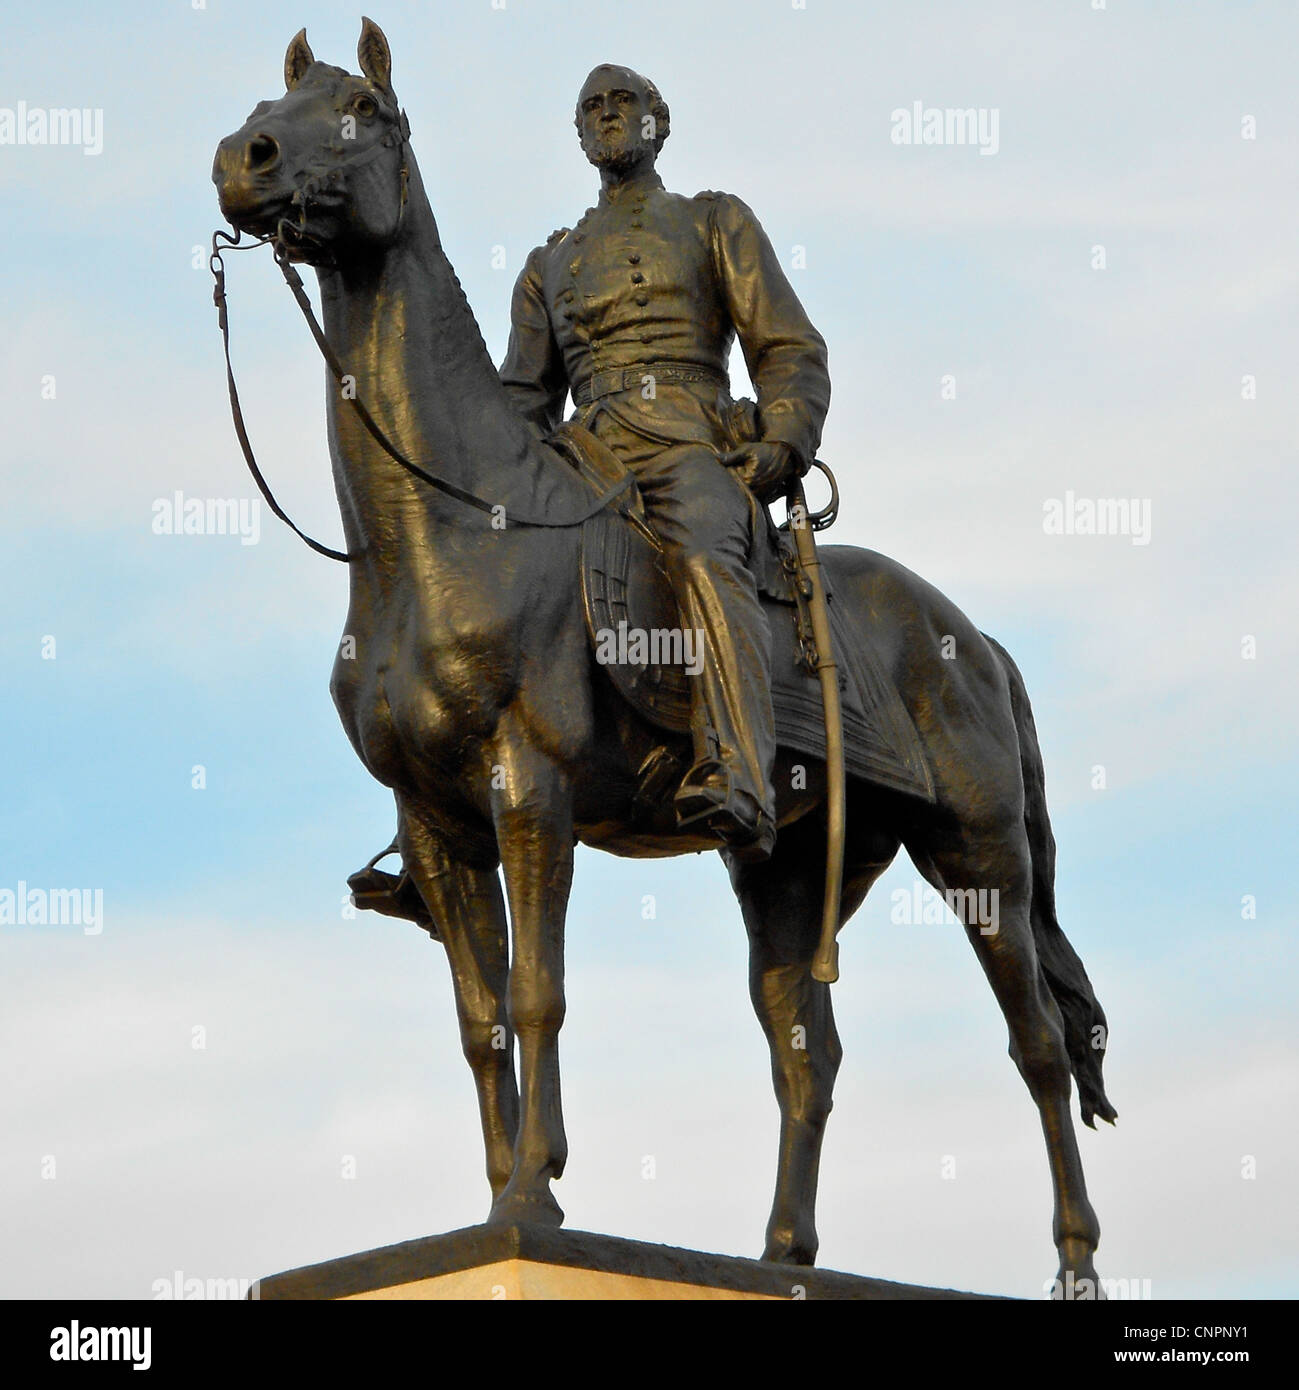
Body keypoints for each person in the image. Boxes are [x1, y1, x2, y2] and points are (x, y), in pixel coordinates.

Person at [499, 63, 830, 859]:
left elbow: (788, 347)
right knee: (483, 584)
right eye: (591, 108)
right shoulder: (549, 265)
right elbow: (521, 400)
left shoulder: (712, 221)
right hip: (582, 460)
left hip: (687, 440)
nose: (607, 116)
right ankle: (441, 803)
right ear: (577, 134)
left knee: (706, 557)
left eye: (624, 103)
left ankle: (738, 768)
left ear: (660, 121)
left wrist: (783, 439)